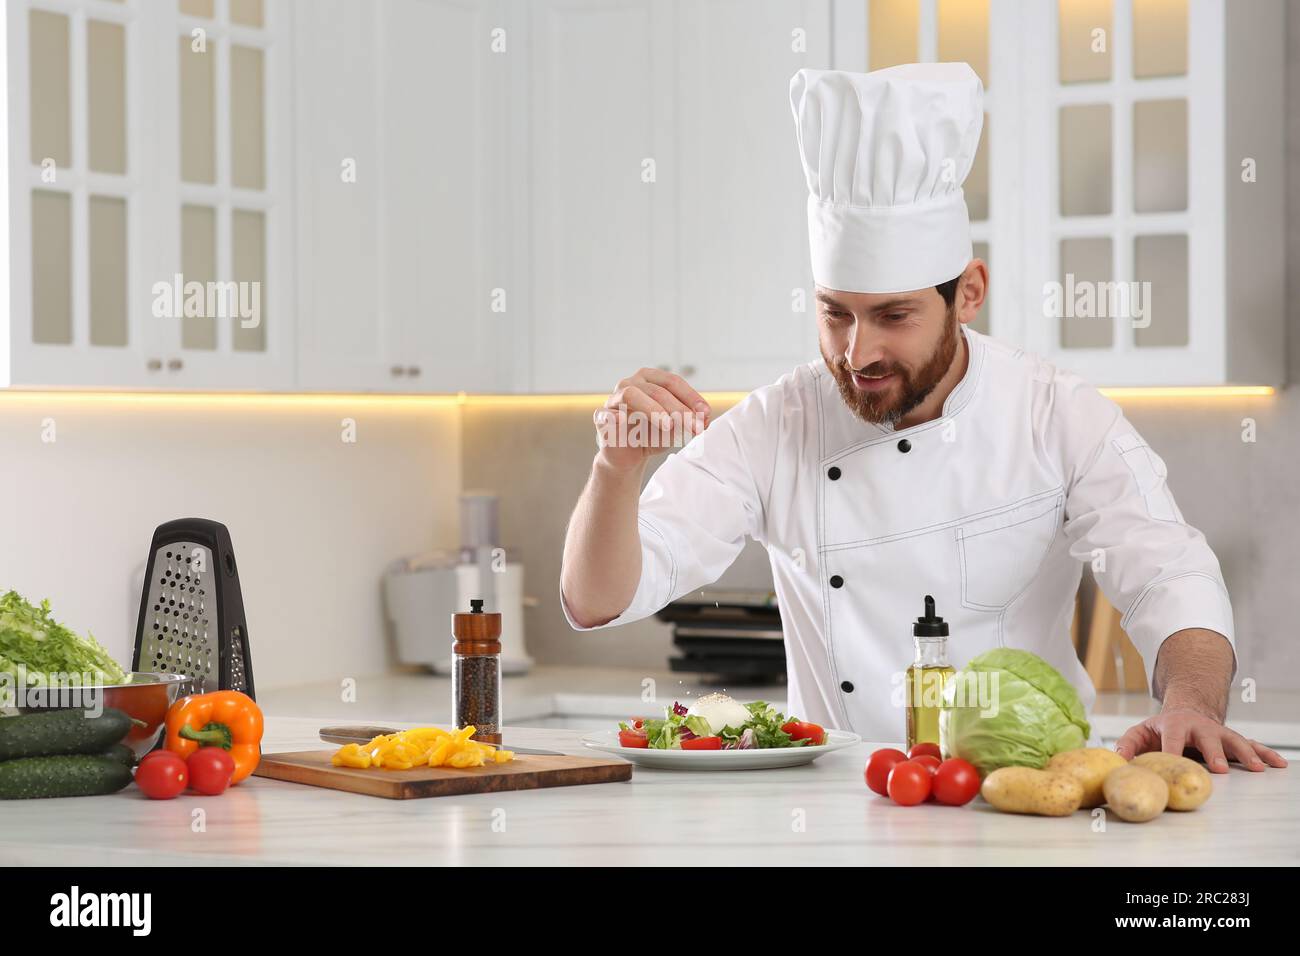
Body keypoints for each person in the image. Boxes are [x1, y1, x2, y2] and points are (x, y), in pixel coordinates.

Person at [560, 63, 1284, 772]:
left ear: (968, 294)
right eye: (834, 313)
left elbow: (1168, 574)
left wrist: (1192, 703)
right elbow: (598, 601)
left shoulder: (1054, 413)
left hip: (1025, 804)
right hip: (839, 812)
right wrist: (615, 471)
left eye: (892, 315)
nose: (855, 352)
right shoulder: (778, 424)